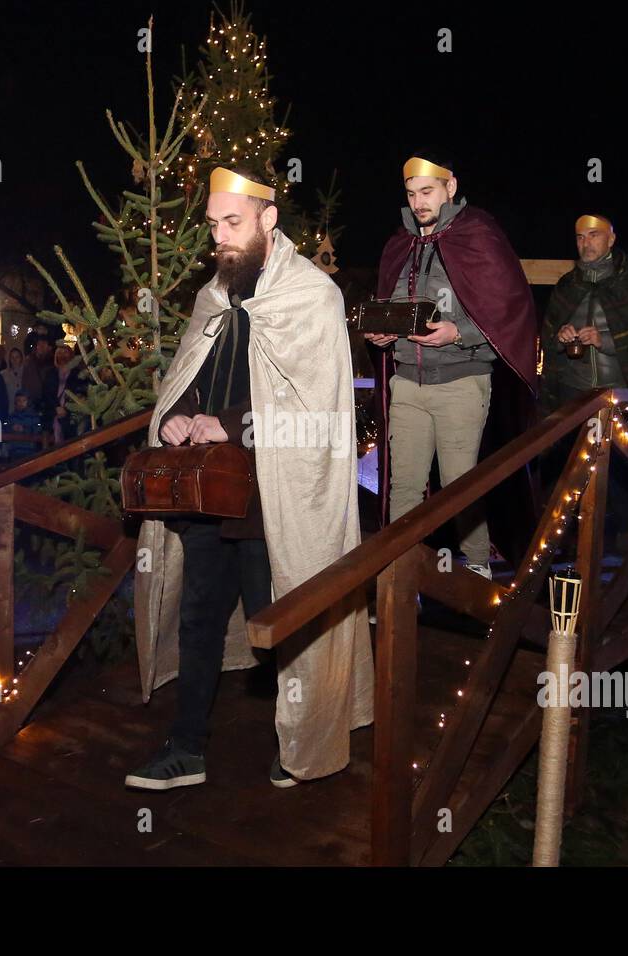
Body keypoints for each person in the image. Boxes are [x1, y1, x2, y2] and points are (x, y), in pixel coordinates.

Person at [127, 165, 373, 790]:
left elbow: (316, 414)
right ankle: (186, 748)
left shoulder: (312, 296)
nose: (220, 238)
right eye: (213, 225)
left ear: (269, 218)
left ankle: (301, 739)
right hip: (211, 492)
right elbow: (189, 381)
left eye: (232, 222)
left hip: (276, 498)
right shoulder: (216, 295)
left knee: (282, 618)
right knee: (199, 615)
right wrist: (180, 420)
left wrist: (229, 426)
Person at [365, 152, 537, 579]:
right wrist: (383, 329)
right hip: (406, 383)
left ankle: (478, 570)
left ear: (451, 187)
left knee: (462, 487)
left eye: (428, 191)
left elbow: (507, 310)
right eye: (411, 194)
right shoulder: (401, 243)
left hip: (461, 382)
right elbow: (392, 304)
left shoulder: (478, 235)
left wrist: (457, 332)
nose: (419, 201)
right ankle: (399, 580)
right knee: (403, 488)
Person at [538, 213, 628, 542]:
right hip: (573, 391)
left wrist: (605, 340)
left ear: (611, 238)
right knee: (570, 467)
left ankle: (627, 528)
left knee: (626, 465)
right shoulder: (568, 286)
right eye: (580, 237)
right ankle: (563, 534)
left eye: (593, 235)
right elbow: (548, 336)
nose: (586, 243)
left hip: (621, 392)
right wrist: (561, 337)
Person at [5, 391, 43, 459]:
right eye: (18, 400)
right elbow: (5, 427)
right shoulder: (11, 416)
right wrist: (11, 428)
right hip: (14, 451)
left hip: (29, 451)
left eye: (24, 400)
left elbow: (38, 428)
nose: (21, 403)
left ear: (28, 401)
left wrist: (24, 429)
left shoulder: (34, 416)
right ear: (15, 402)